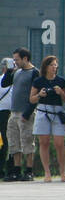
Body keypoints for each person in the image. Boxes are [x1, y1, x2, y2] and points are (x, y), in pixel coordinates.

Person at [30, 56, 65, 182]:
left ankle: (63, 171)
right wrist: (39, 95)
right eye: (52, 65)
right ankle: (47, 172)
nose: (54, 67)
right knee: (44, 142)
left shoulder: (61, 81)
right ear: (46, 67)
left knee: (59, 142)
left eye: (55, 65)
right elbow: (31, 99)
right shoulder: (38, 81)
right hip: (43, 111)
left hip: (57, 111)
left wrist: (61, 93)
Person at [3, 48, 37, 181]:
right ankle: (16, 170)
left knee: (28, 141)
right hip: (14, 111)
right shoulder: (16, 72)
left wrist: (28, 113)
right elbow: (4, 83)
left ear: (25, 58)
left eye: (17, 59)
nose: (15, 62)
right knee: (14, 141)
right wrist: (9, 71)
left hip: (25, 112)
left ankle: (29, 170)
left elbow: (35, 95)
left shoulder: (34, 72)